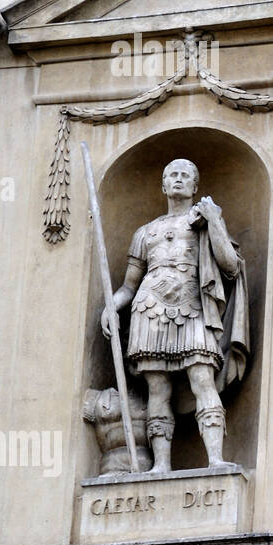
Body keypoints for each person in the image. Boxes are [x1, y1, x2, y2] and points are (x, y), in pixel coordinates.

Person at [101, 159, 250, 471]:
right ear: (164, 185)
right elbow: (129, 285)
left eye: (185, 176)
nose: (178, 180)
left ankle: (215, 459)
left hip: (192, 305)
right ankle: (161, 466)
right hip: (150, 308)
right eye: (172, 175)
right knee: (158, 387)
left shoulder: (203, 222)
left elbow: (231, 267)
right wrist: (111, 306)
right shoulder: (146, 232)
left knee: (201, 377)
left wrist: (214, 222)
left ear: (195, 186)